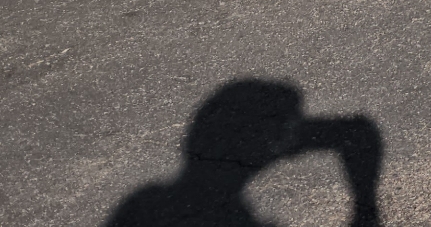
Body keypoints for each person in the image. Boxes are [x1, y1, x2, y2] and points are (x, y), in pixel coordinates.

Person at [103, 80, 382, 227]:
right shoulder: (148, 206)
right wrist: (365, 210)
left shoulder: (143, 205)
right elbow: (357, 130)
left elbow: (355, 130)